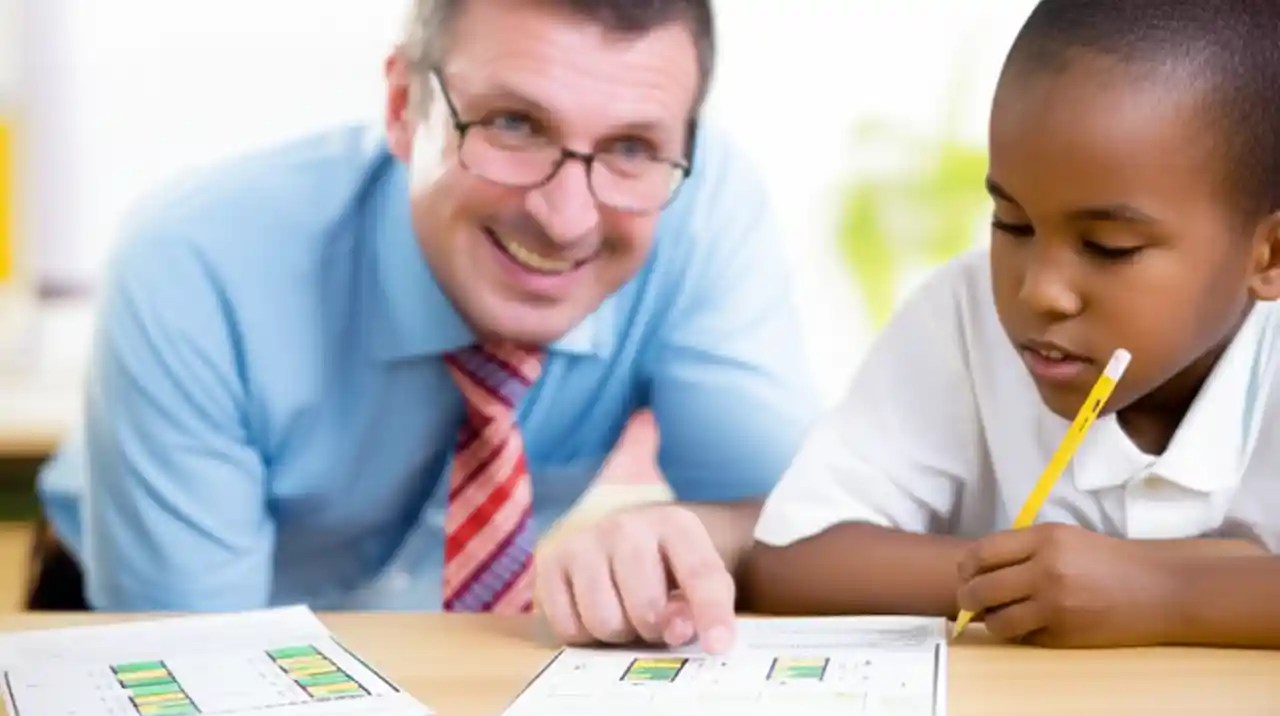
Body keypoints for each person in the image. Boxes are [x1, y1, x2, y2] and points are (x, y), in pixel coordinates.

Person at [34, 0, 817, 653]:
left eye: (632, 146)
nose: (567, 219)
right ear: (403, 108)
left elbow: (791, 526)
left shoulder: (700, 213)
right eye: (514, 124)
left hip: (472, 657)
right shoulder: (197, 263)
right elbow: (204, 670)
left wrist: (673, 533)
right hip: (162, 624)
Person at [741, 0, 1280, 649]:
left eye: (1108, 247)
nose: (1039, 290)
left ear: (1269, 255)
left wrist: (1162, 592)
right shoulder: (962, 318)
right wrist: (1044, 584)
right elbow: (794, 556)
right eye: (1012, 224)